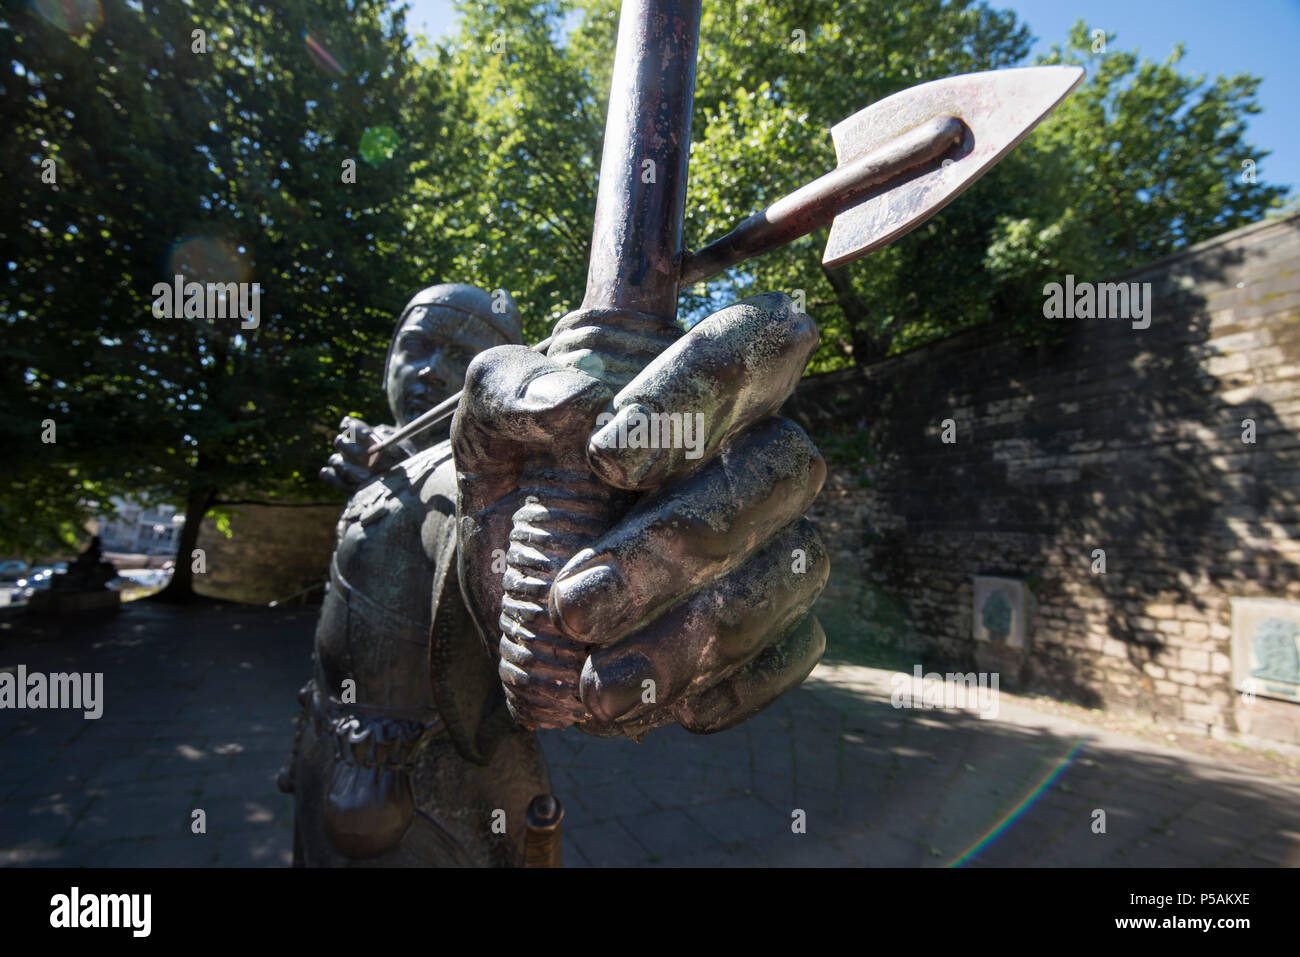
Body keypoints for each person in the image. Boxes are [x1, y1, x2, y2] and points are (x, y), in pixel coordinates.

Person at [284, 283, 830, 866]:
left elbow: (462, 506)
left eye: (458, 354)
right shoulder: (391, 468)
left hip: (436, 818)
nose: (429, 370)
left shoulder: (476, 472)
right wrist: (380, 479)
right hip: (321, 768)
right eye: (416, 346)